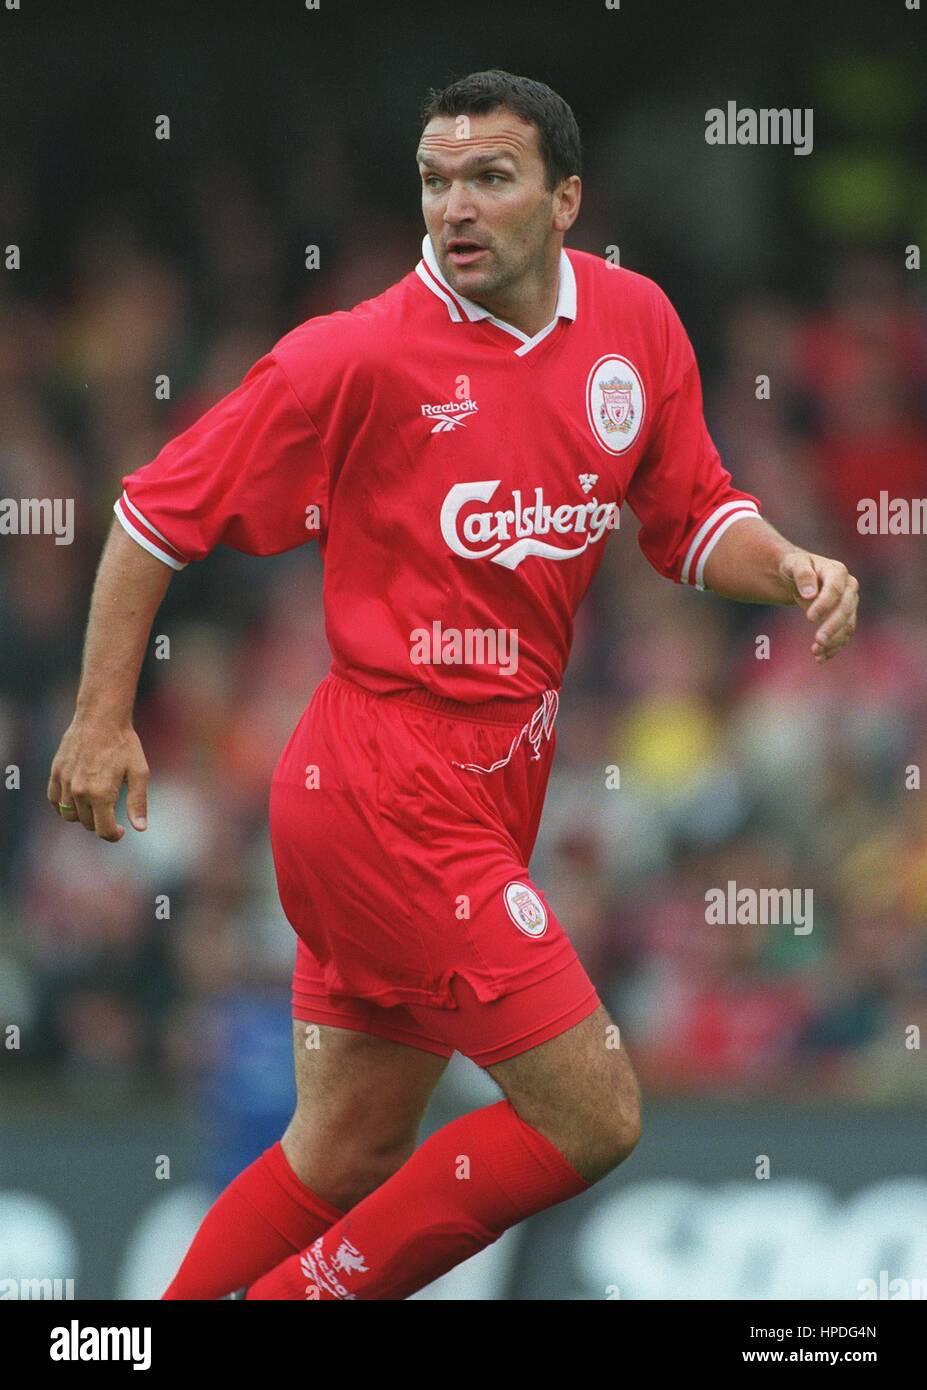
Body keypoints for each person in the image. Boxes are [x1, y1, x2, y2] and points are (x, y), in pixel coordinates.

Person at [47, 69, 859, 1300]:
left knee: (343, 1151)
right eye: (436, 182)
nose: (457, 208)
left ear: (565, 199)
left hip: (488, 787)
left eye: (490, 178)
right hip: (384, 785)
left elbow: (690, 518)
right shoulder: (359, 354)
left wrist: (788, 561)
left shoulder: (635, 328)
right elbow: (153, 514)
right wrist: (102, 718)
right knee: (594, 1115)